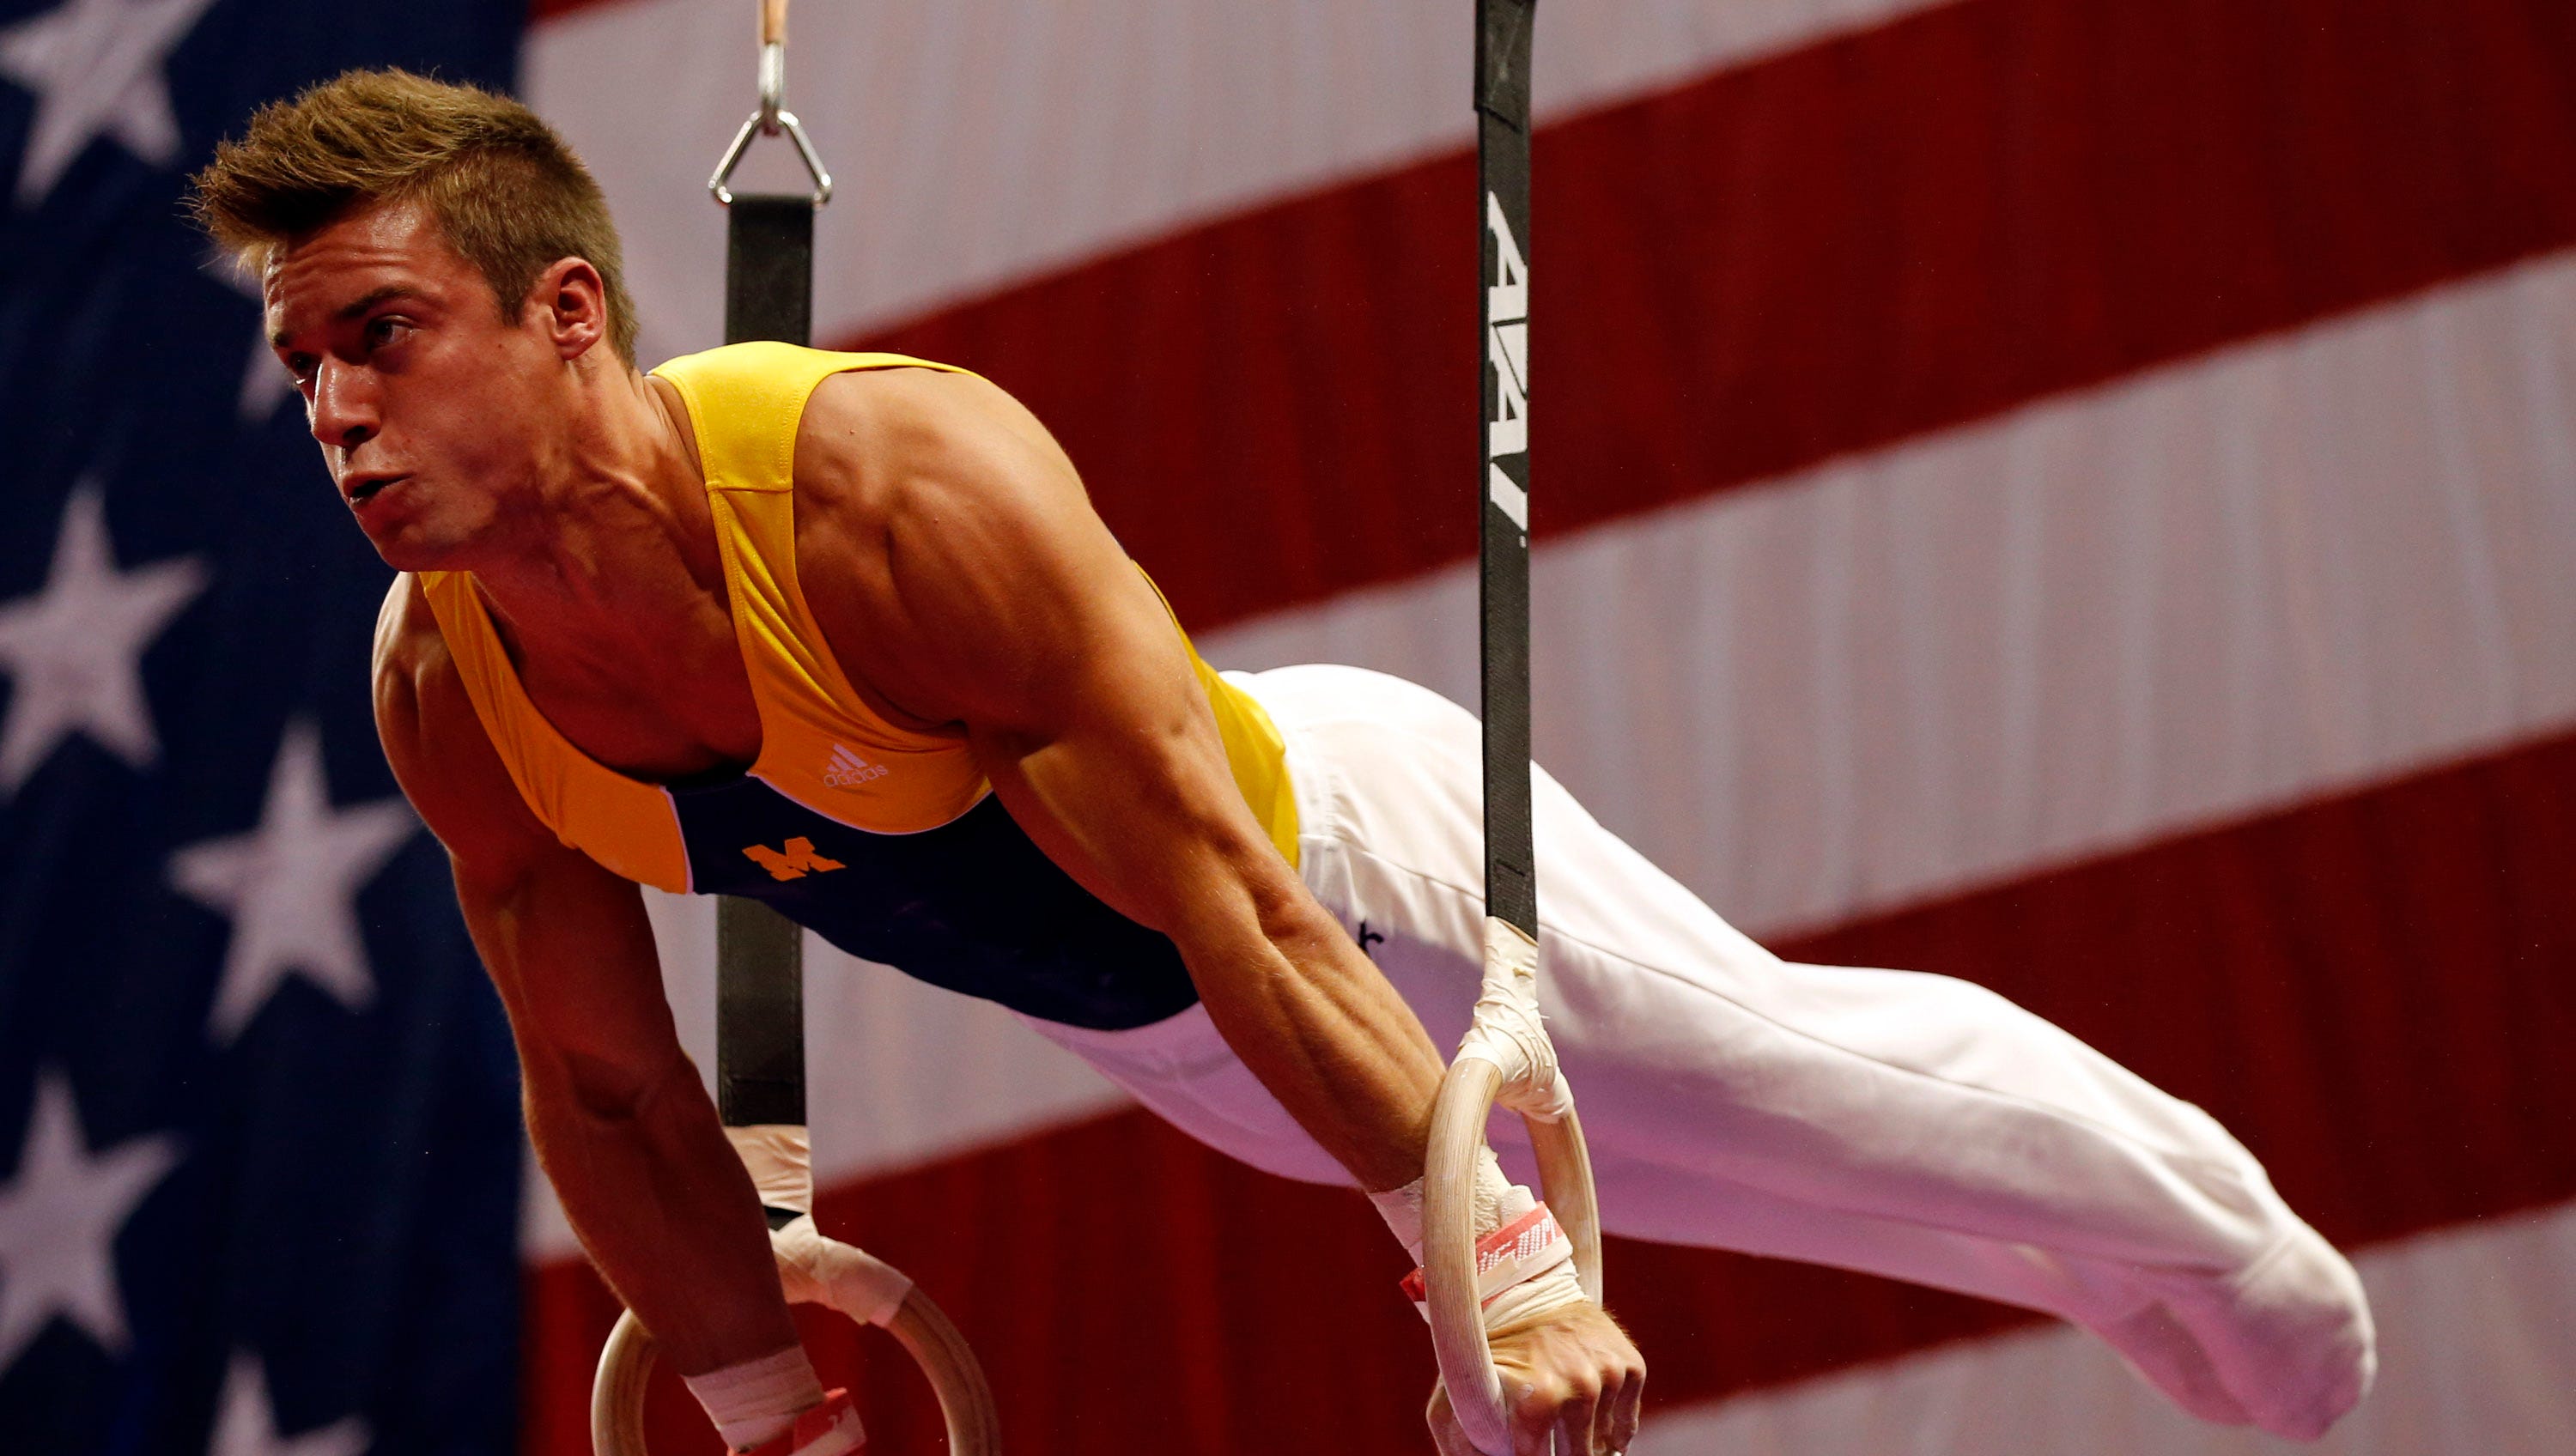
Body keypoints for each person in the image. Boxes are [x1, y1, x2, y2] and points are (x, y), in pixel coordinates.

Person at [191, 71, 2372, 1456]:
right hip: (1188, 1043)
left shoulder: (881, 492)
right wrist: (763, 1411)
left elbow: (1232, 896)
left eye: (387, 335)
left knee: (1823, 1102)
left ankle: (2241, 1255)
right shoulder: (446, 683)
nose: (340, 416)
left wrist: (1493, 1263)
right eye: (306, 366)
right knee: (1753, 1202)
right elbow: (606, 1086)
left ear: (570, 311)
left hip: (1350, 877)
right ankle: (2160, 1280)